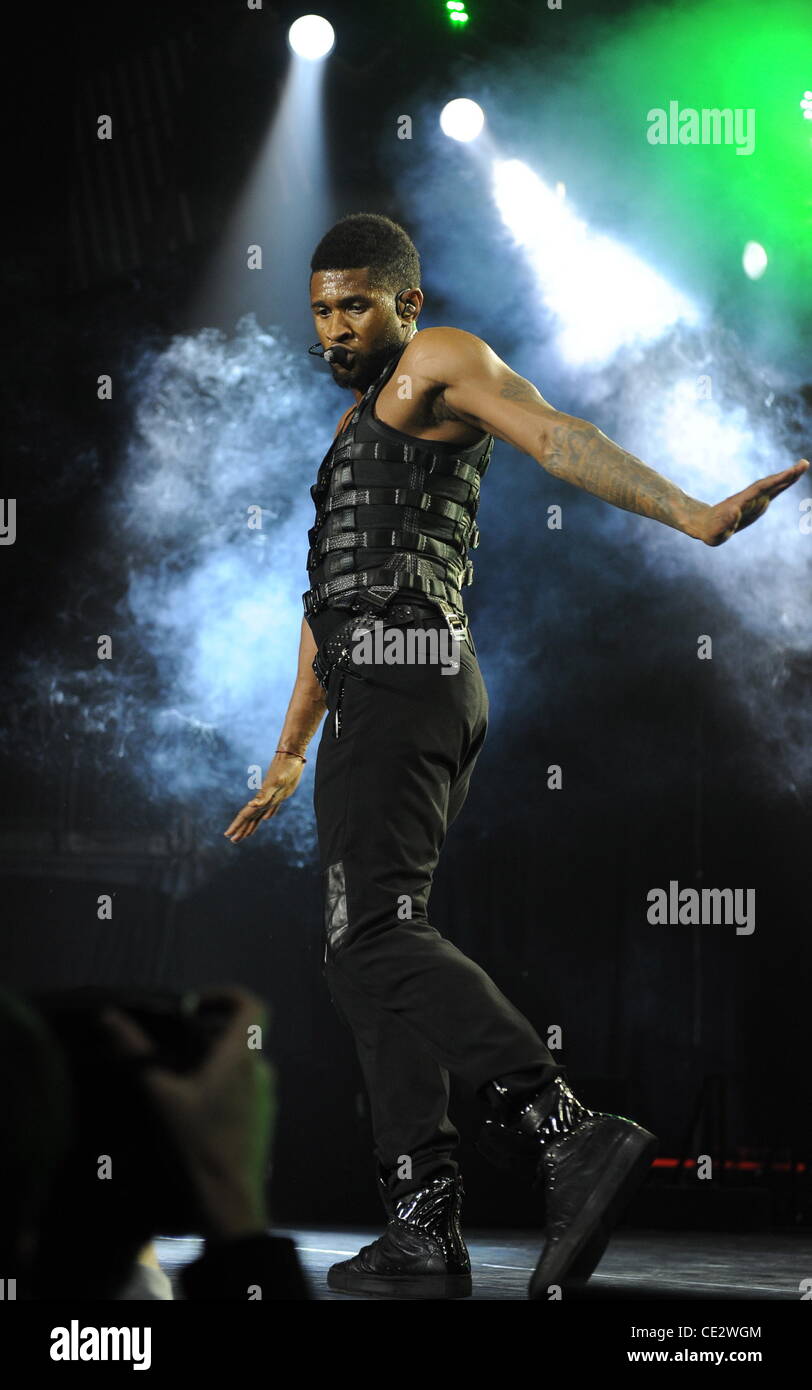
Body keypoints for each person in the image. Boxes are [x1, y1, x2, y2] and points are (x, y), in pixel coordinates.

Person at [224, 213, 808, 1300]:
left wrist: (687, 513)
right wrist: (288, 750)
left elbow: (556, 434)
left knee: (375, 933)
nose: (333, 327)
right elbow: (324, 601)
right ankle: (418, 1226)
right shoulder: (352, 433)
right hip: (370, 688)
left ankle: (565, 1129)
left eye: (354, 304)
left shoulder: (438, 359)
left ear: (405, 301)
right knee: (362, 952)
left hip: (411, 676)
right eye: (318, 309)